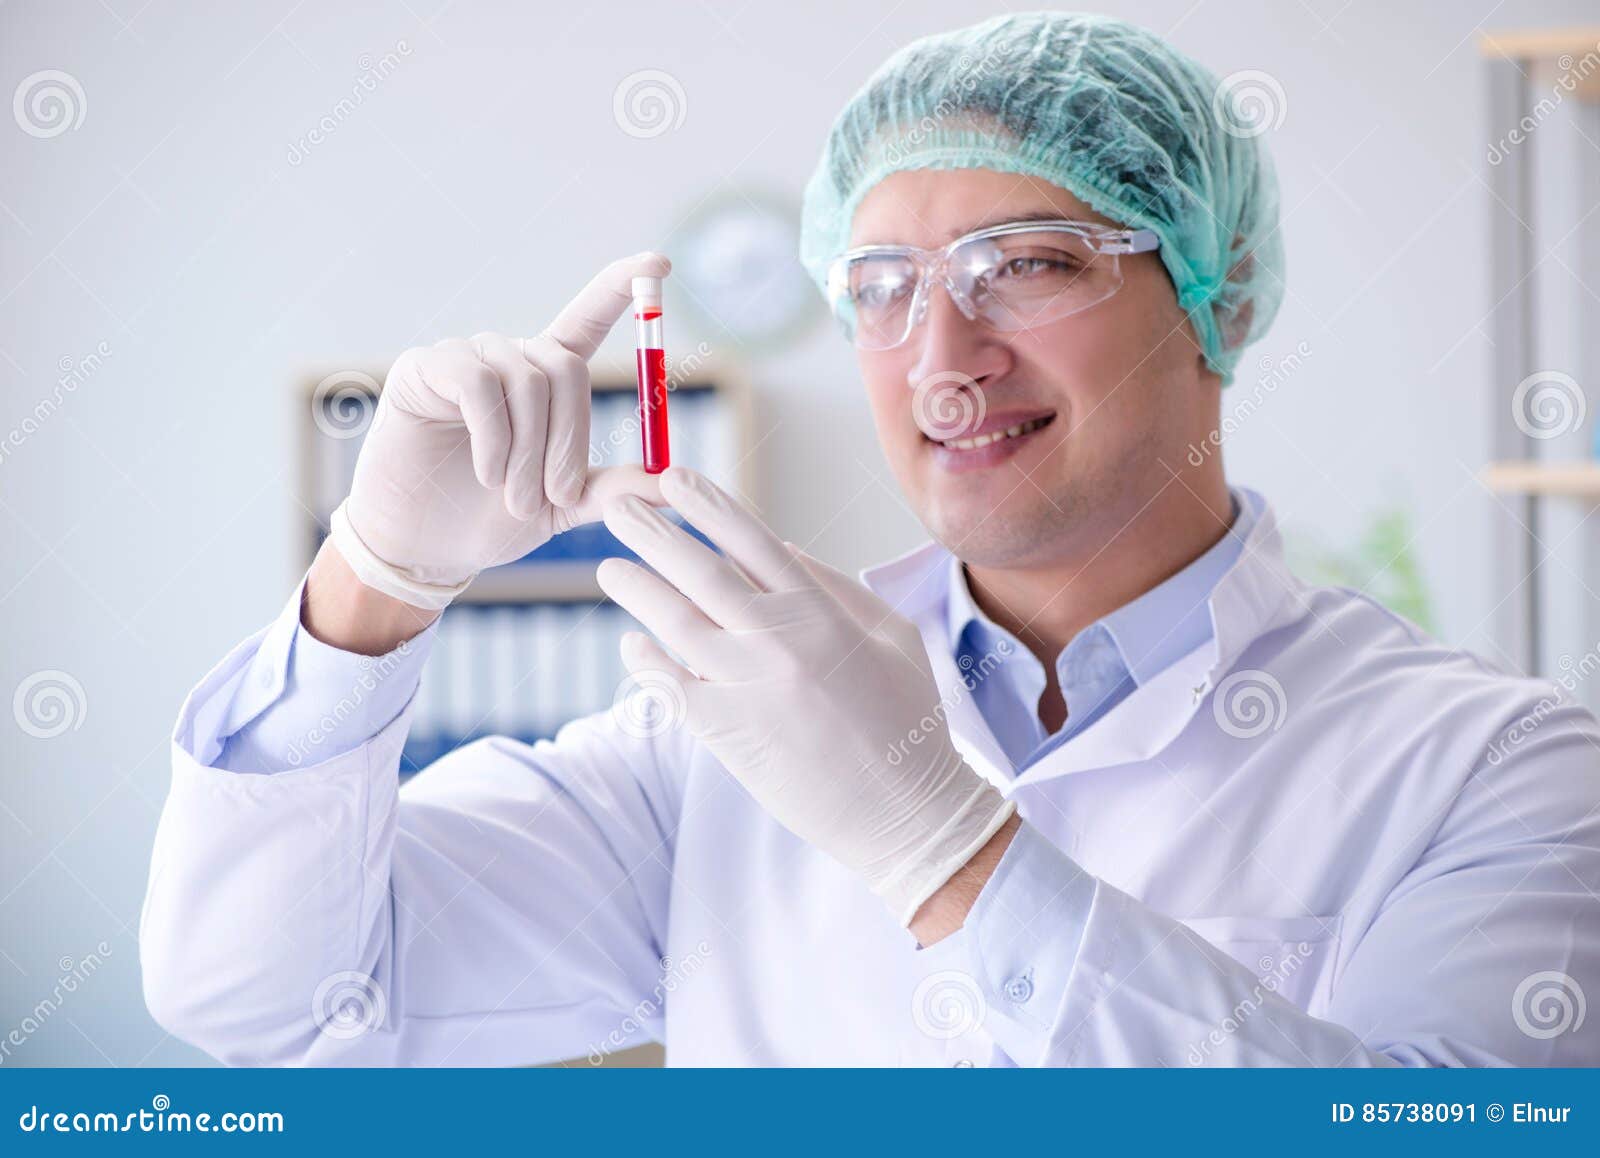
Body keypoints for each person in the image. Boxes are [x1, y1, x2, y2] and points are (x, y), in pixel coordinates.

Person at [141, 12, 1599, 1066]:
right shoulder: (712, 736)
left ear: (1216, 296)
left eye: (1024, 264)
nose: (943, 356)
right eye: (882, 286)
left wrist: (947, 848)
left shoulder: (1498, 768)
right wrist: (372, 588)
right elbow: (267, 999)